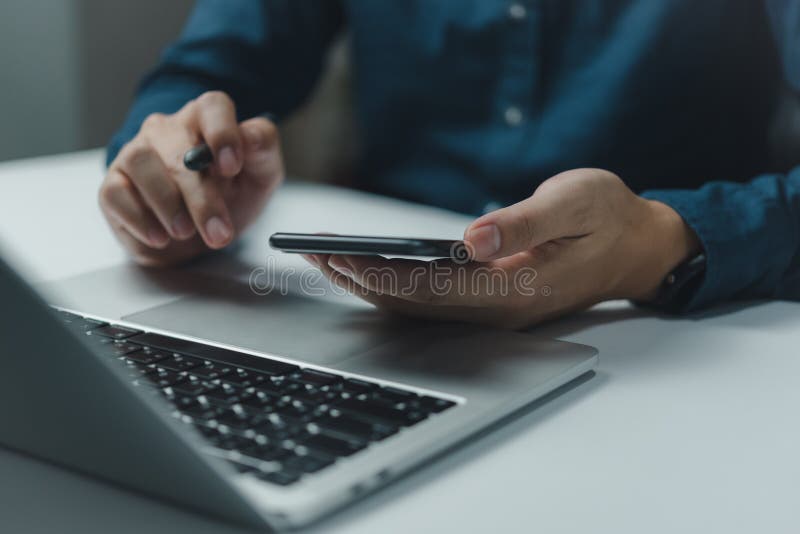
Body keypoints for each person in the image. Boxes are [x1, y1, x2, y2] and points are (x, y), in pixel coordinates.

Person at [101, 0, 800, 329]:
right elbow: (208, 68)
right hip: (364, 323)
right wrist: (174, 184)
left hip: (677, 337)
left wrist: (657, 244)